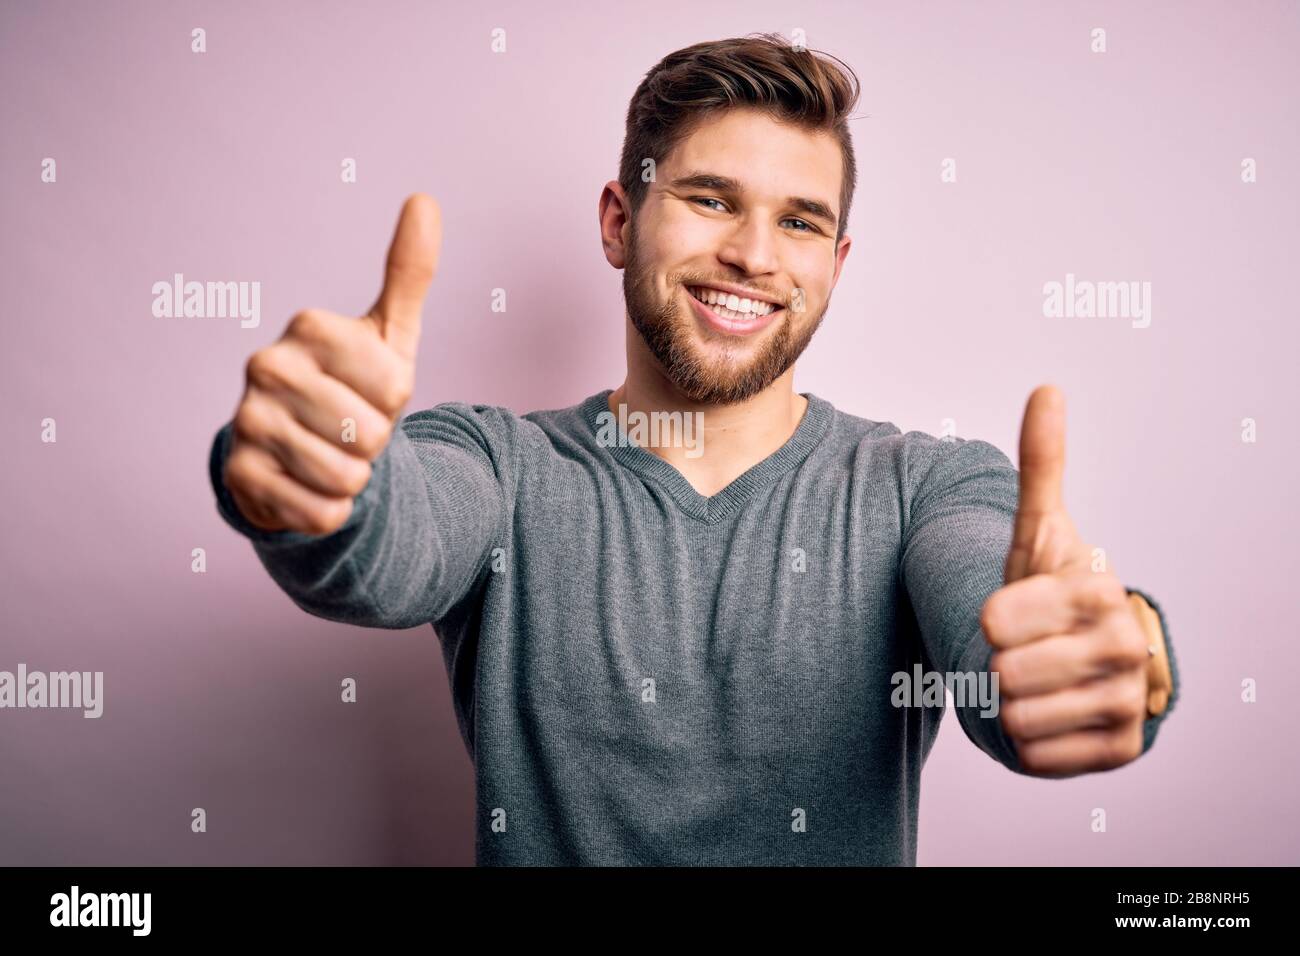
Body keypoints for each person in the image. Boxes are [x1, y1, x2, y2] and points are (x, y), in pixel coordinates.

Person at [207, 33, 1178, 865]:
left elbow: (995, 630)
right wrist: (312, 479)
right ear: (619, 221)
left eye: (799, 221)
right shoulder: (498, 466)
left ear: (833, 266)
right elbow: (385, 538)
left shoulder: (925, 486)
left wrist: (1105, 651)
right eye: (711, 199)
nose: (754, 255)